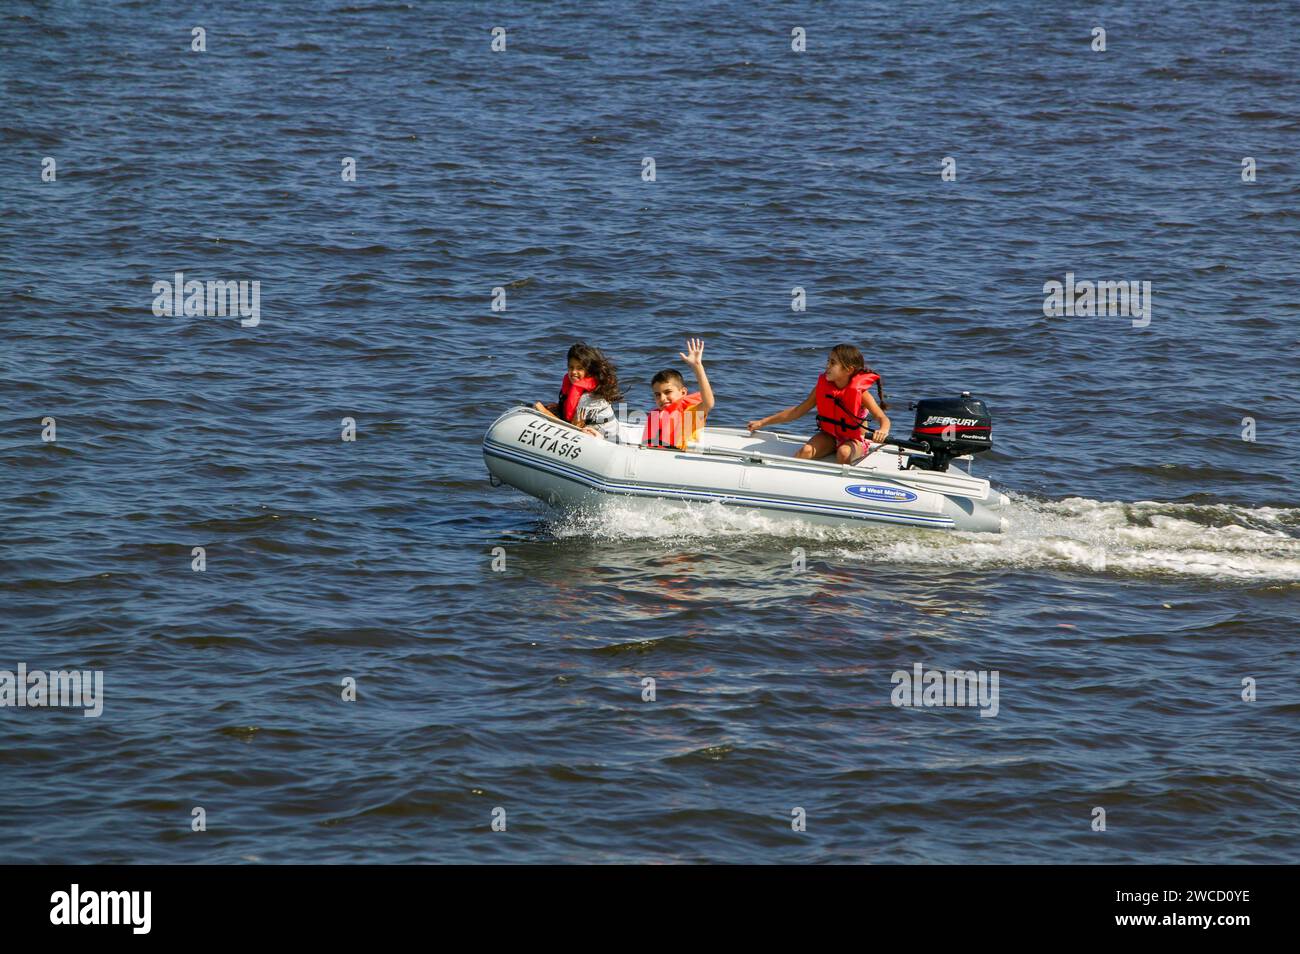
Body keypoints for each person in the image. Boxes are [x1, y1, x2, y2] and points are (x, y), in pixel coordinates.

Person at [746, 344, 890, 463]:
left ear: (848, 370)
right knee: (805, 451)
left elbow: (882, 418)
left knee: (844, 452)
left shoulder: (862, 394)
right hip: (829, 436)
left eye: (832, 363)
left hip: (855, 441)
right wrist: (763, 422)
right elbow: (797, 411)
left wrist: (883, 430)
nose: (827, 366)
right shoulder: (822, 388)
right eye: (828, 361)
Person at [533, 343, 623, 440]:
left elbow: (572, 428)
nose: (573, 372)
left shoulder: (587, 398)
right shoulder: (581, 388)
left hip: (606, 439)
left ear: (589, 371)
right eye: (571, 367)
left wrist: (544, 411)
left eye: (579, 368)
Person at [643, 338, 714, 450]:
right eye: (657, 394)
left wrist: (697, 367)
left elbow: (708, 403)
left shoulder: (690, 413)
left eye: (668, 392)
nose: (662, 398)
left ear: (683, 392)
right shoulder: (655, 415)